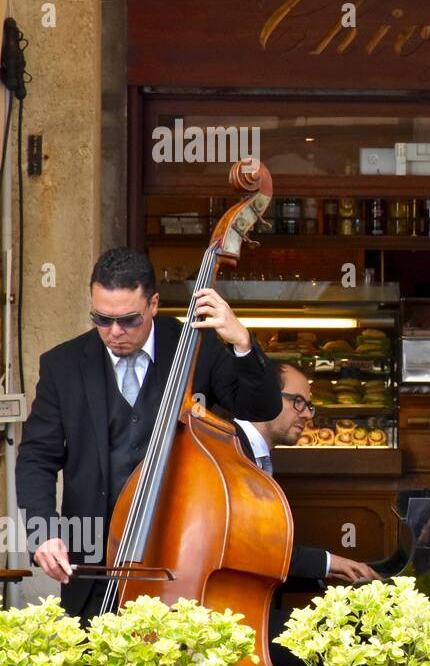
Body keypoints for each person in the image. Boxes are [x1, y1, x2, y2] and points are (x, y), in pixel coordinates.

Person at [17, 247, 282, 619]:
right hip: (95, 566)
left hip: (181, 556)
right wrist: (42, 532)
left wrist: (241, 343)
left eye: (128, 320)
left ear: (153, 304)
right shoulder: (62, 365)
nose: (114, 332)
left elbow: (261, 408)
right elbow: (36, 458)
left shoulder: (196, 346)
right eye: (101, 319)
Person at [230, 360, 379, 666]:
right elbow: (247, 547)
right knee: (357, 651)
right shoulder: (231, 450)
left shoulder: (250, 451)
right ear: (263, 396)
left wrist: (328, 566)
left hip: (253, 608)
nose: (308, 414)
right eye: (298, 402)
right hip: (235, 615)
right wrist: (329, 563)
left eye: (310, 405)